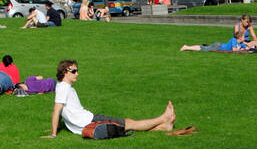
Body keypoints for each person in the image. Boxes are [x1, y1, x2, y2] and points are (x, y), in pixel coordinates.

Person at [44, 59, 194, 139]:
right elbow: (57, 111)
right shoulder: (63, 87)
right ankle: (164, 118)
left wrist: (58, 128)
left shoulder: (63, 87)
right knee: (129, 123)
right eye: (74, 71)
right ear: (65, 72)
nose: (77, 73)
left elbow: (63, 112)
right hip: (90, 121)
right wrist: (53, 133)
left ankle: (164, 126)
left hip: (87, 121)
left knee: (126, 126)